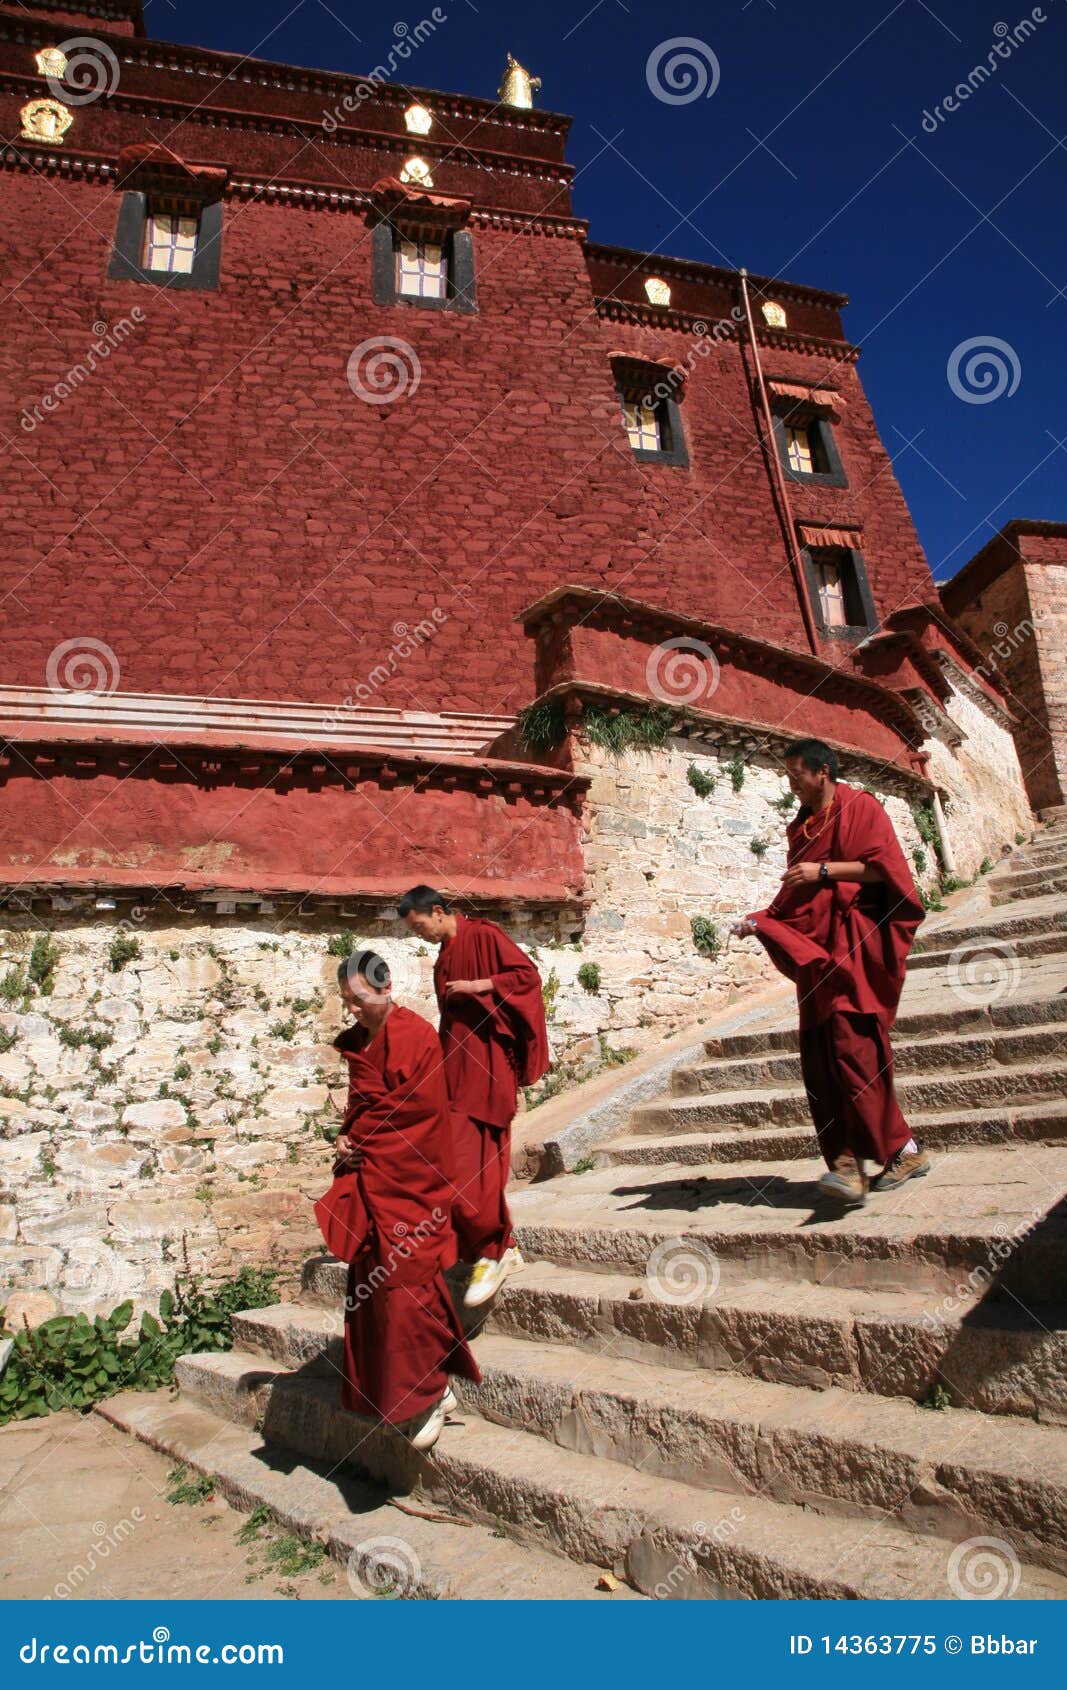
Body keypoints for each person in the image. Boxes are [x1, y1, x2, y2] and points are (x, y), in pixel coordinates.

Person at [732, 739, 930, 1209]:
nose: (791, 783)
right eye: (787, 776)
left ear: (823, 772)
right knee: (821, 1058)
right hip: (819, 958)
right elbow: (796, 900)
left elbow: (888, 873)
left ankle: (903, 1149)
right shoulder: (800, 828)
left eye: (796, 775)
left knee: (855, 1050)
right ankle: (844, 1162)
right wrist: (762, 921)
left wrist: (824, 871)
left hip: (854, 945)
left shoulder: (862, 807)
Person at [314, 951, 480, 1451]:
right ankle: (421, 1391)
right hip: (374, 1184)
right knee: (371, 1290)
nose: (351, 1011)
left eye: (357, 1000)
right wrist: (347, 1139)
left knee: (404, 1288)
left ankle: (426, 1394)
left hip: (412, 1184)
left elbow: (421, 1119)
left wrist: (366, 1139)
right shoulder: (365, 1041)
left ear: (384, 990)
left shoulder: (417, 1037)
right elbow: (362, 1107)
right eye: (346, 1002)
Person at [398, 886, 550, 1307]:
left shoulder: (483, 936)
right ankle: (500, 1246)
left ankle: (494, 1251)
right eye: (414, 931)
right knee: (457, 1161)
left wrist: (481, 984)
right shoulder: (442, 959)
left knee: (471, 1162)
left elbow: (527, 977)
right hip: (455, 1069)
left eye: (420, 925)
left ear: (439, 911)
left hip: (487, 1069)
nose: (421, 935)